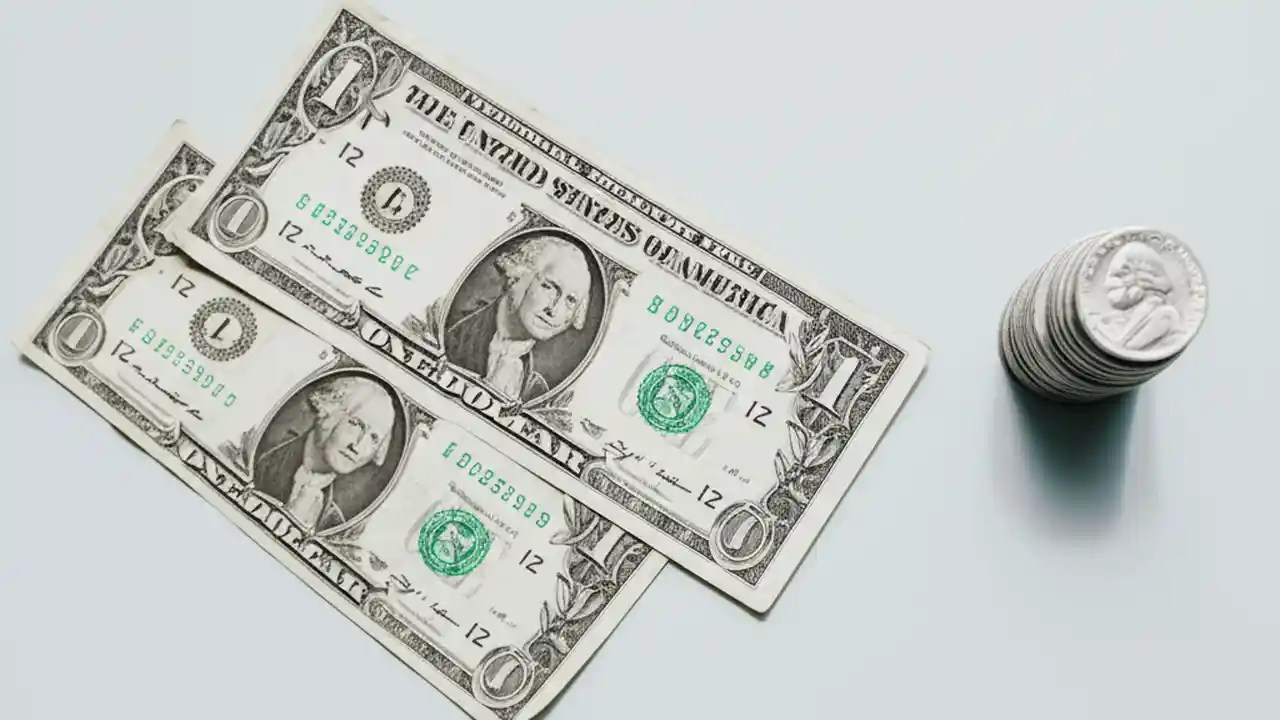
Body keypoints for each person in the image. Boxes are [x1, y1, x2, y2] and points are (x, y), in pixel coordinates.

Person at [445, 234, 593, 401]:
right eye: (549, 287)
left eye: (571, 301)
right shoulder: (450, 332)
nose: (554, 310)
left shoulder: (536, 390)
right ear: (519, 277)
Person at [254, 375, 395, 532]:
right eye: (355, 424)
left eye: (374, 438)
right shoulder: (260, 461)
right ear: (328, 412)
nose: (358, 446)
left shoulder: (334, 522)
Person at [1092, 242, 1181, 351]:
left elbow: (1124, 349)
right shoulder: (1113, 320)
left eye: (1117, 275)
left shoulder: (1165, 316)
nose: (1106, 284)